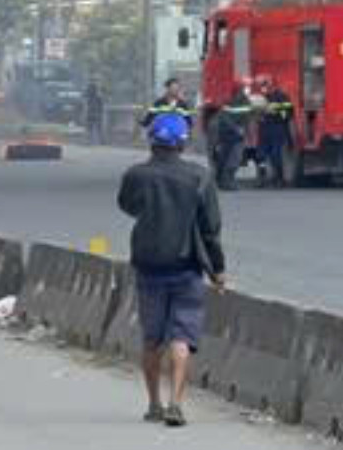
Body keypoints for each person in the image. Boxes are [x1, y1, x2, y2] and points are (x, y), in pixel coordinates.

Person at [117, 111, 226, 428]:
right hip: (187, 267)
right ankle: (176, 404)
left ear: (152, 141)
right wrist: (218, 270)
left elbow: (128, 206)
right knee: (182, 336)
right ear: (183, 142)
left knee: (152, 338)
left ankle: (153, 404)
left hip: (148, 267)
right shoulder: (199, 177)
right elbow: (211, 229)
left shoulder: (136, 175)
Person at [211, 80, 254, 191]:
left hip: (238, 135)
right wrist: (236, 129)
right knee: (225, 158)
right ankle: (223, 181)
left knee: (235, 158)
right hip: (227, 134)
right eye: (244, 88)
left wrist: (248, 134)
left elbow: (247, 118)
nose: (246, 90)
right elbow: (224, 117)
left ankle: (227, 181)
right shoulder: (228, 100)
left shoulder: (246, 101)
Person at [255, 74, 295, 189]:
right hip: (264, 128)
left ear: (271, 84)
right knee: (260, 155)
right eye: (262, 85)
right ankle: (262, 179)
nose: (263, 88)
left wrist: (277, 115)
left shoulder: (282, 96)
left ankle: (279, 179)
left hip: (277, 128)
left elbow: (288, 112)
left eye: (265, 85)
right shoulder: (261, 97)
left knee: (275, 155)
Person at [84, 77, 107, 146]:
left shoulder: (91, 95)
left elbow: (85, 97)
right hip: (95, 112)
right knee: (97, 127)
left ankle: (90, 141)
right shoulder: (97, 95)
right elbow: (101, 104)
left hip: (93, 111)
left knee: (91, 127)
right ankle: (99, 141)